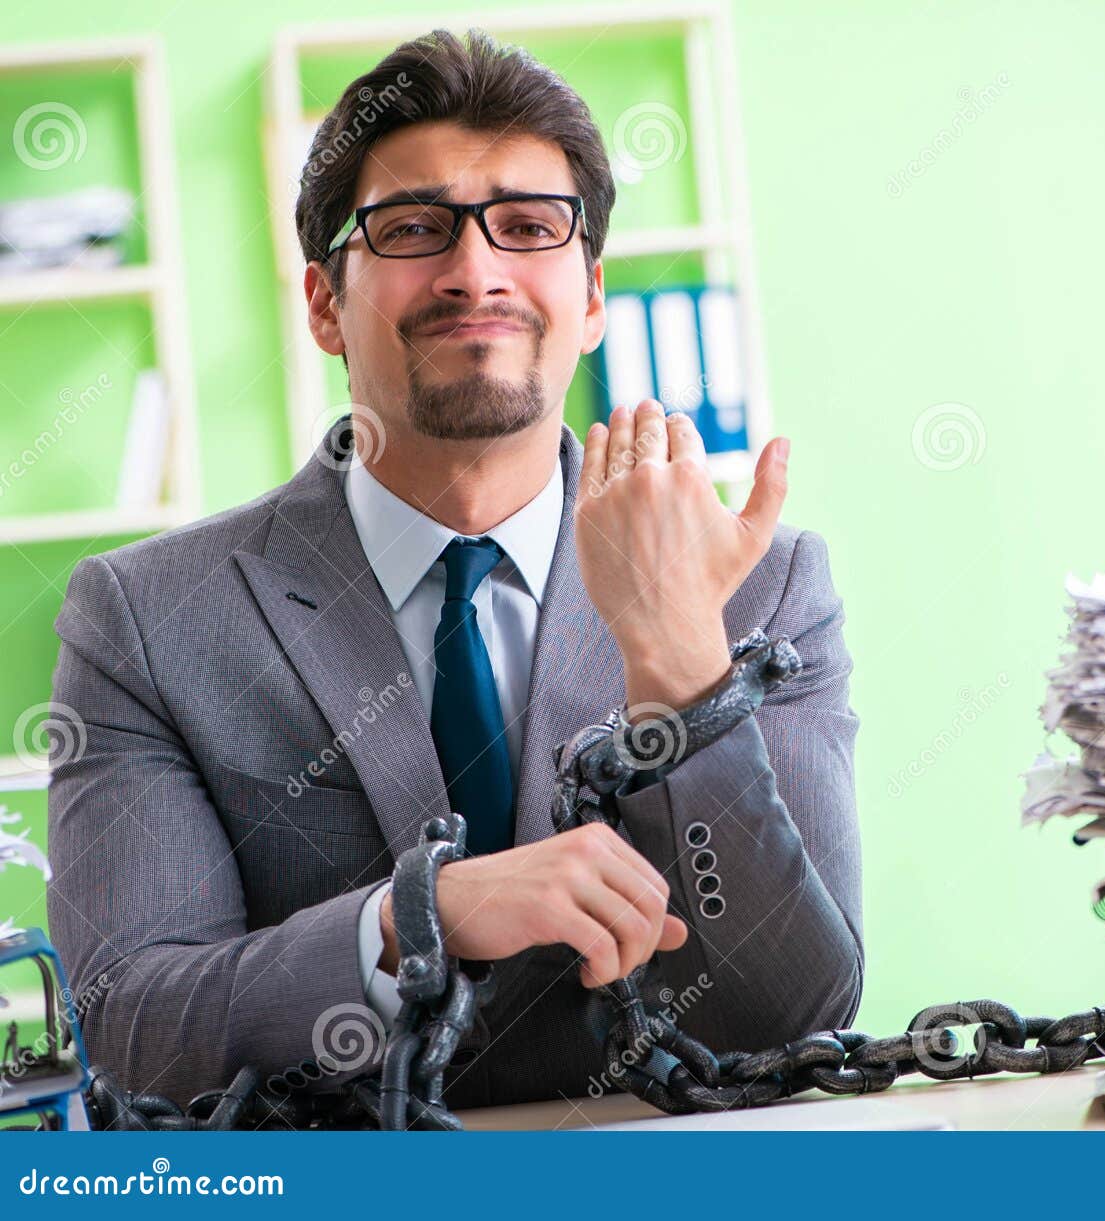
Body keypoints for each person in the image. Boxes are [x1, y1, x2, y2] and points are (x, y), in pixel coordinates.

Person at [45, 28, 861, 1111]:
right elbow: (135, 1028)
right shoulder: (145, 619)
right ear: (326, 303)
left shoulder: (766, 587)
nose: (475, 273)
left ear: (592, 294)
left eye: (527, 228)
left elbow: (799, 1015)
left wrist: (678, 664)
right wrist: (410, 918)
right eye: (415, 228)